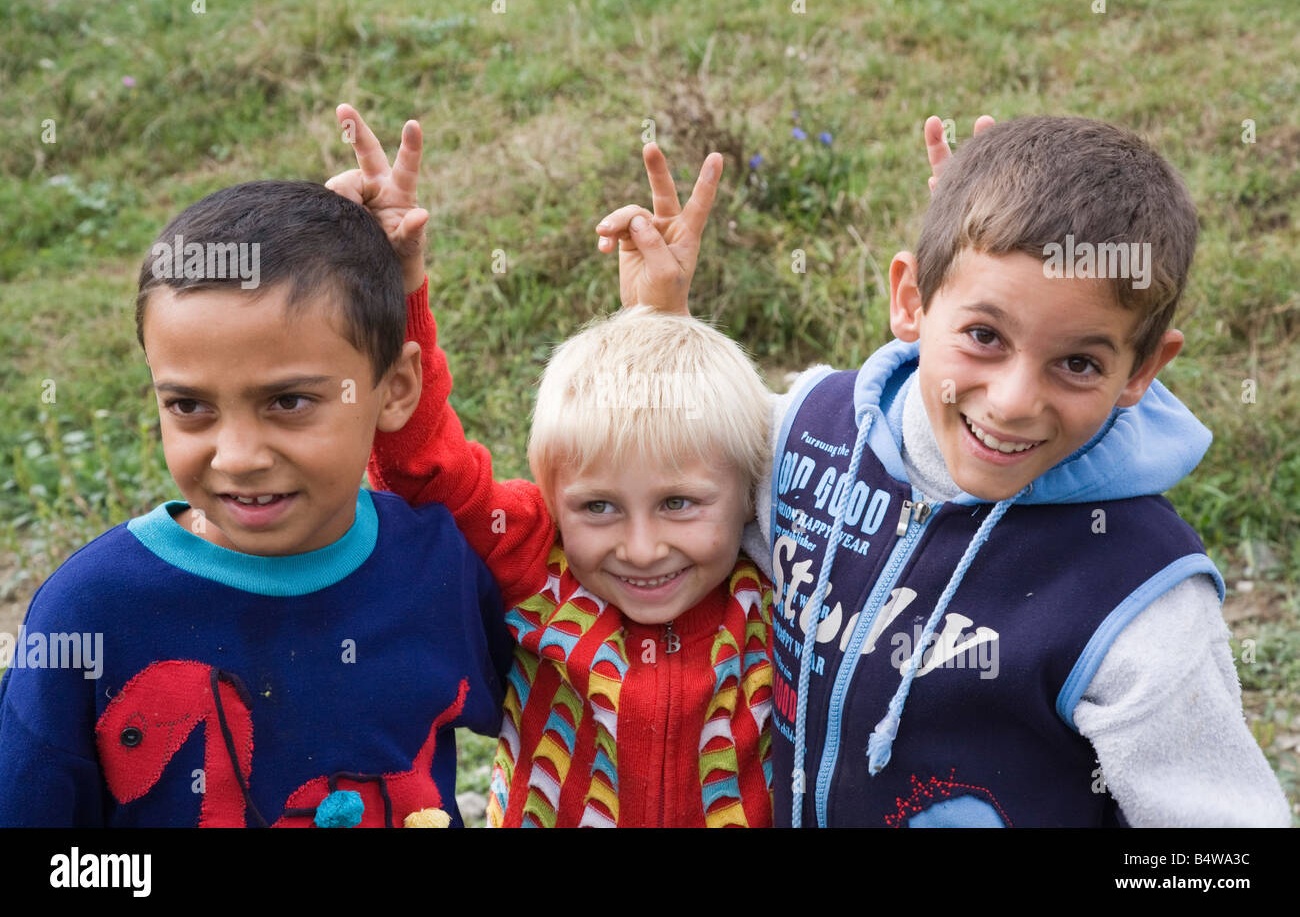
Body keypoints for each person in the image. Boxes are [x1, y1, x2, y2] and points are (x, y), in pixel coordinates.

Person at [599, 115, 1290, 826]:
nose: (1015, 402)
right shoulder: (809, 435)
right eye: (984, 335)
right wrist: (660, 322)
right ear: (910, 300)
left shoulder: (1139, 594)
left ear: (1143, 368)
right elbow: (675, 483)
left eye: (1078, 363)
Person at [0, 179, 511, 827]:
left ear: (396, 389)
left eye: (288, 402)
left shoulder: (437, 568)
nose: (237, 456)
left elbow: (573, 703)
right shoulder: (90, 611)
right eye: (189, 407)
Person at [329, 107, 777, 827]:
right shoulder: (539, 562)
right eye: (598, 507)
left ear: (751, 493)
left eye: (680, 505)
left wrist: (667, 315)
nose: (641, 548)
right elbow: (425, 472)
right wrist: (399, 286)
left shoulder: (780, 585)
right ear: (551, 495)